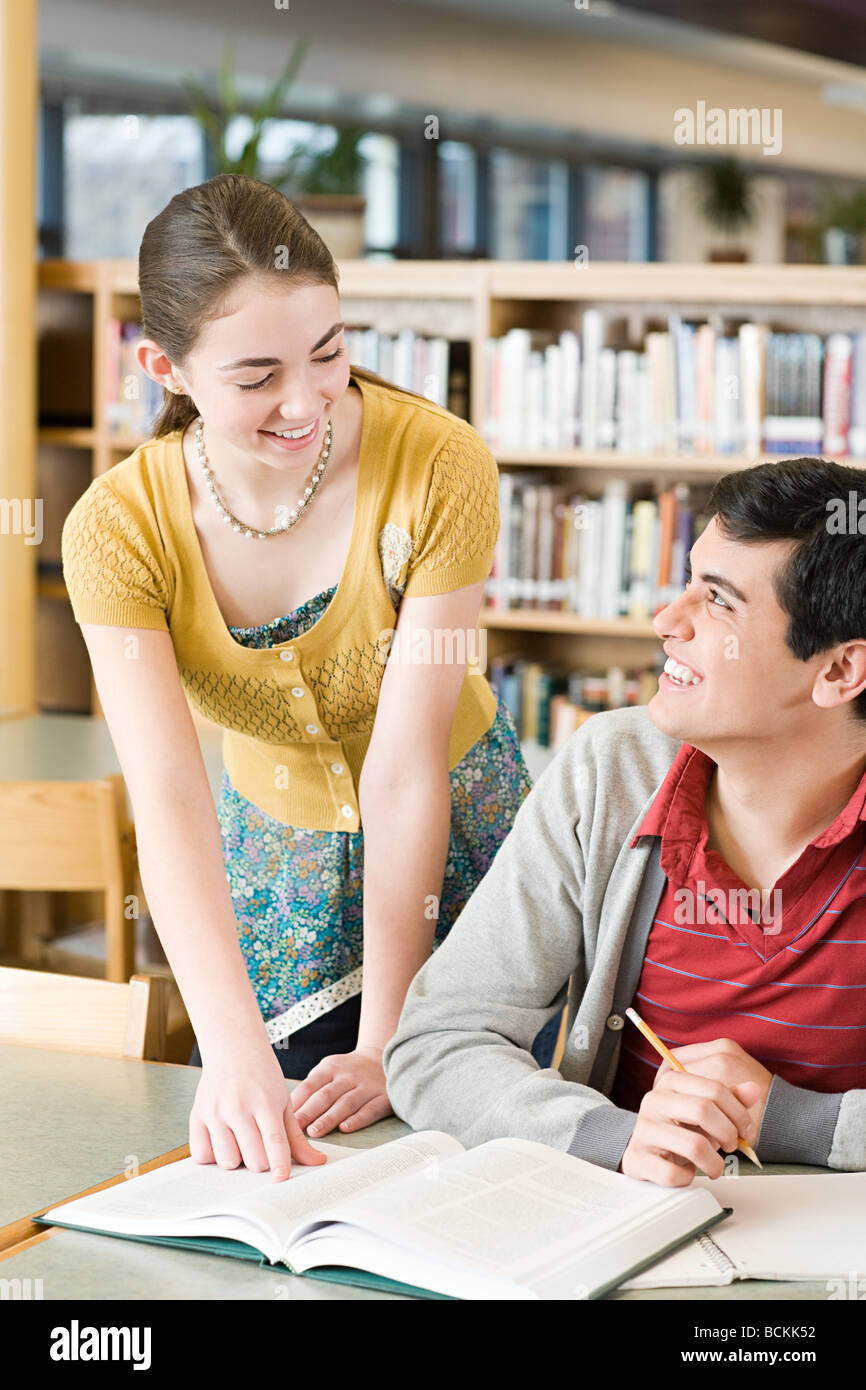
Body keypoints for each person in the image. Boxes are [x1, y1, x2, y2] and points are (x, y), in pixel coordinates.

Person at [60, 172, 555, 1184]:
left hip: (462, 846)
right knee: (273, 1157)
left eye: (327, 353)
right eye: (255, 376)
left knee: (480, 1168)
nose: (304, 399)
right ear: (165, 368)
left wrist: (389, 1039)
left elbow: (406, 764)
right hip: (270, 879)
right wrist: (231, 1047)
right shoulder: (115, 530)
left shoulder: (438, 466)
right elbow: (167, 800)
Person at [384, 457, 866, 1186]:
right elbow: (438, 1042)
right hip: (637, 1231)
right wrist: (616, 1135)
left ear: (838, 671)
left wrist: (794, 1120)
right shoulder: (609, 770)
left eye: (719, 602)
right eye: (687, 582)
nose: (666, 622)